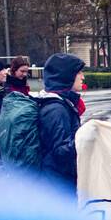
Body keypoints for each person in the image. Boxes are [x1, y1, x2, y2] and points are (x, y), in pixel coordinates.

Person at [33, 53, 85, 185]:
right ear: (66, 76)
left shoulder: (61, 104)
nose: (83, 77)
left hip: (59, 179)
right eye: (79, 73)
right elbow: (60, 152)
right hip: (58, 184)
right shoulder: (56, 109)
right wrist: (85, 137)